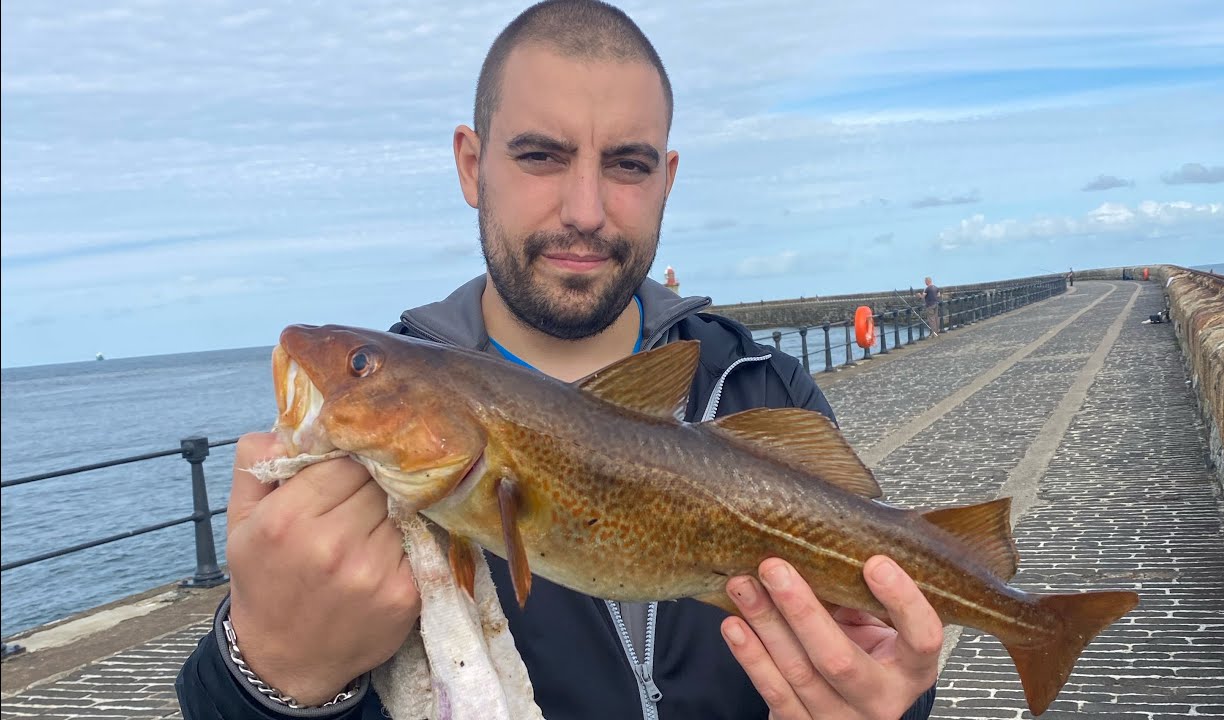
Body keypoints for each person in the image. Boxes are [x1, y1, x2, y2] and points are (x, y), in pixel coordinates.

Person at [176, 2, 942, 718]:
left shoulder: (763, 384)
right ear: (471, 166)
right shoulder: (368, 452)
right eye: (541, 156)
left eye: (628, 165)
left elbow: (866, 648)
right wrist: (269, 670)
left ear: (666, 180)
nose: (584, 209)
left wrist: (892, 698)